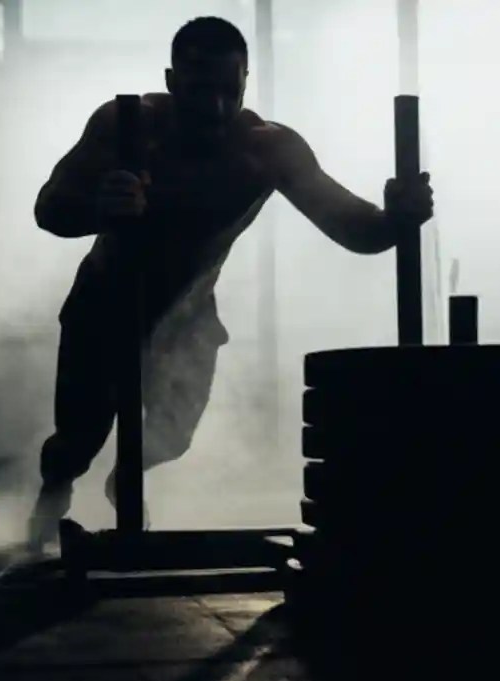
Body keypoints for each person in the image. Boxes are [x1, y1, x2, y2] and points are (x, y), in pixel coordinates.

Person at [27, 16, 434, 549]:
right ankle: (53, 492)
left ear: (246, 81)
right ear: (172, 83)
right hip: (105, 301)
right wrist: (98, 206)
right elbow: (49, 209)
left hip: (189, 309)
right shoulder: (127, 125)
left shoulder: (268, 150)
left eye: (230, 91)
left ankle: (126, 476)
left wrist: (397, 219)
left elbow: (354, 230)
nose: (216, 108)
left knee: (173, 436)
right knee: (78, 438)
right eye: (200, 91)